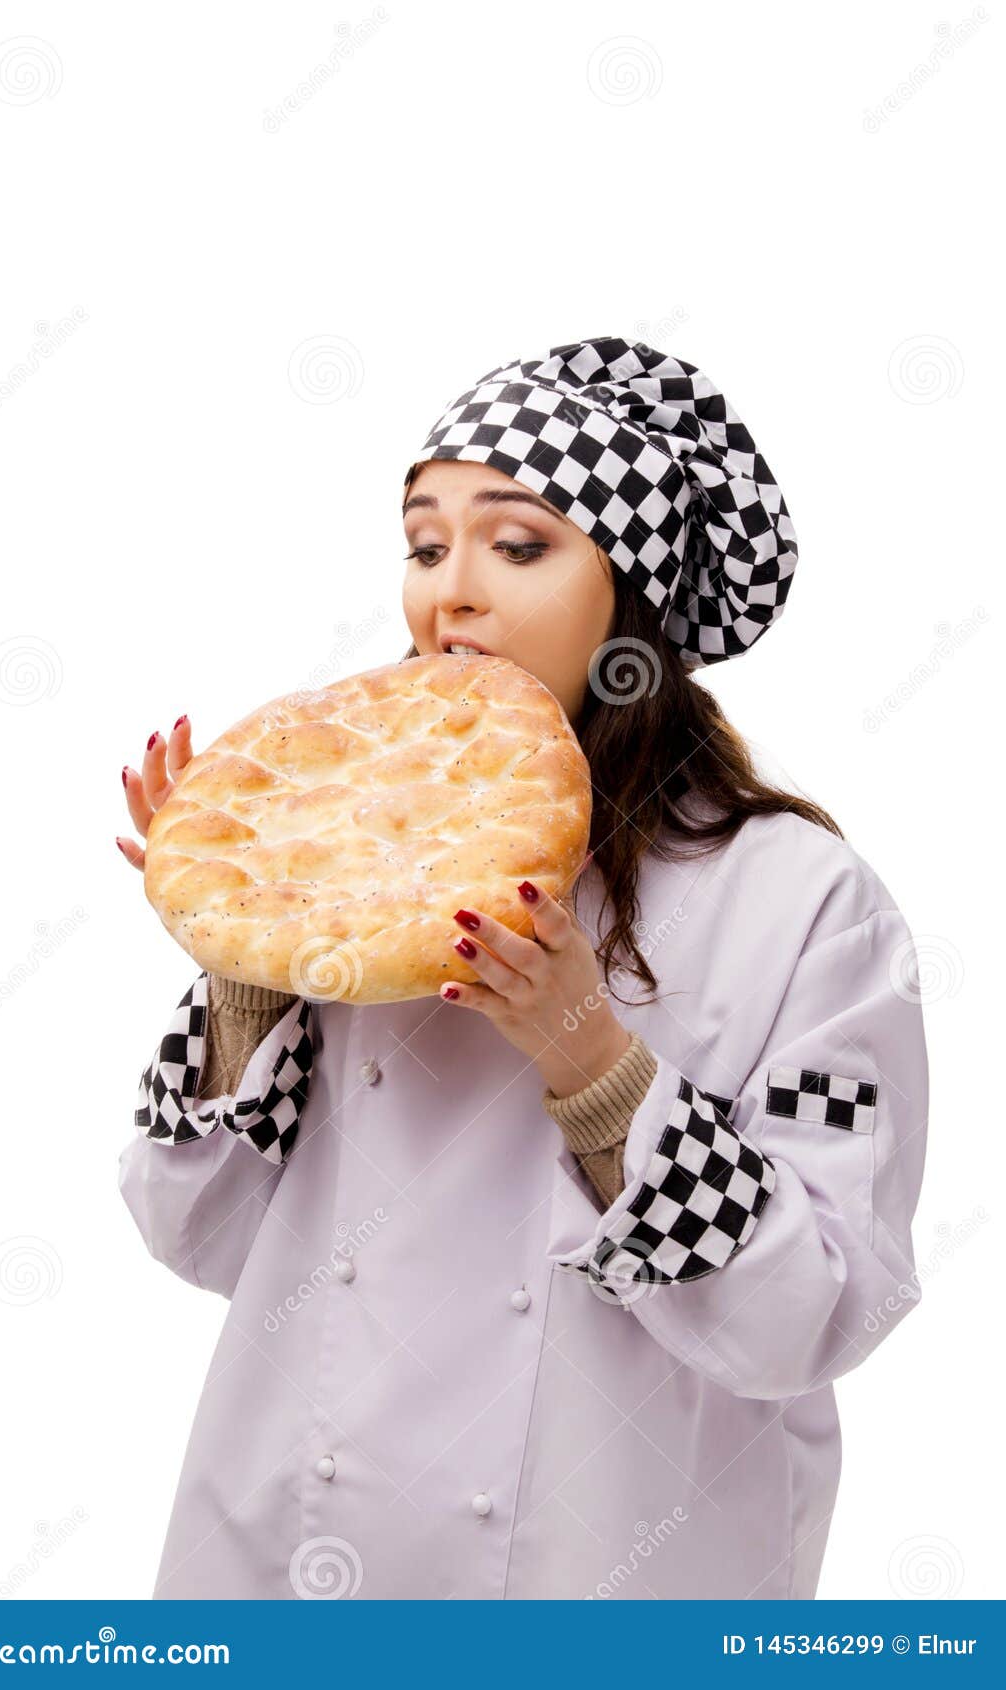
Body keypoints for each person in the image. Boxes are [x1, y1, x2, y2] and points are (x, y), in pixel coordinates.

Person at [116, 337, 929, 1601]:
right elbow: (193, 1232)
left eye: (519, 543)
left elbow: (820, 1313)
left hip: (610, 1579)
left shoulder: (801, 903)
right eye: (425, 544)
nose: (452, 594)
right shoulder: (360, 870)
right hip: (287, 1567)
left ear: (636, 598)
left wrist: (590, 1060)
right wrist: (248, 959)